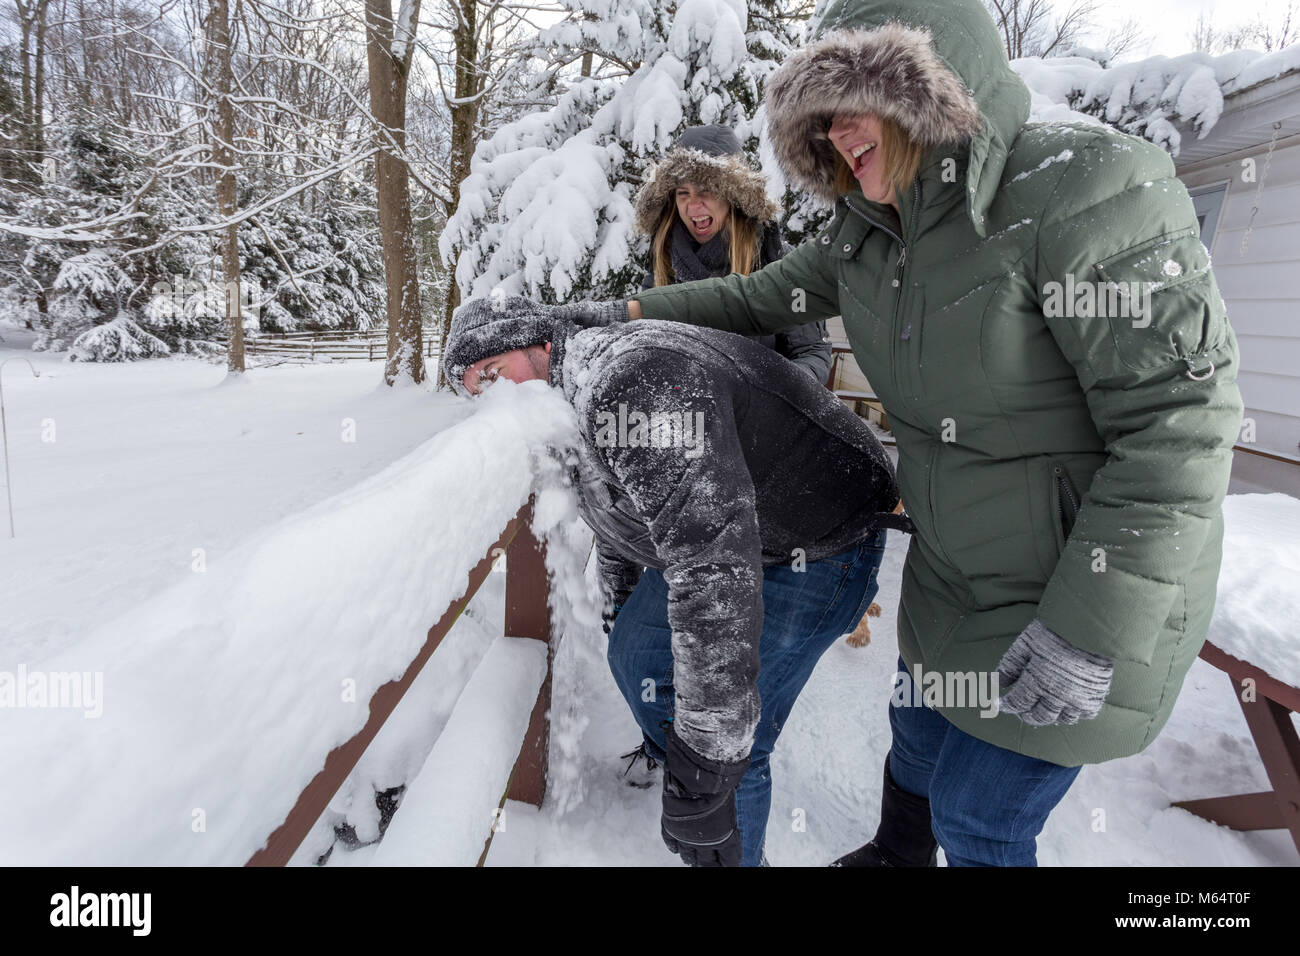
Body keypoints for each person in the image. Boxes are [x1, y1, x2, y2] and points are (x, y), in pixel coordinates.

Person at [537, 0, 1246, 866]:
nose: (836, 130)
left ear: (932, 86)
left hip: (1074, 582)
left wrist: (1093, 624)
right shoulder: (870, 233)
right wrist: (586, 320)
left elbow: (1182, 418)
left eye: (856, 97)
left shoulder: (1083, 186)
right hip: (951, 575)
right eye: (821, 111)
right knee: (914, 748)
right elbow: (747, 299)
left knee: (980, 821)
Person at [442, 296, 908, 866]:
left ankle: (728, 808)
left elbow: (714, 572)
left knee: (740, 740)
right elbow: (617, 511)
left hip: (816, 536)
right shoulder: (559, 401)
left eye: (492, 373)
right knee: (637, 654)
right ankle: (690, 757)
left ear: (540, 343)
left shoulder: (632, 383)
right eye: (474, 392)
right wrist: (620, 611)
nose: (493, 398)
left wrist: (707, 768)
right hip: (723, 532)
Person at [634, 123, 832, 382]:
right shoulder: (663, 261)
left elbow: (811, 350)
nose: (693, 204)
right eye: (683, 193)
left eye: (706, 191)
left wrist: (778, 391)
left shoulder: (778, 263)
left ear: (732, 197)